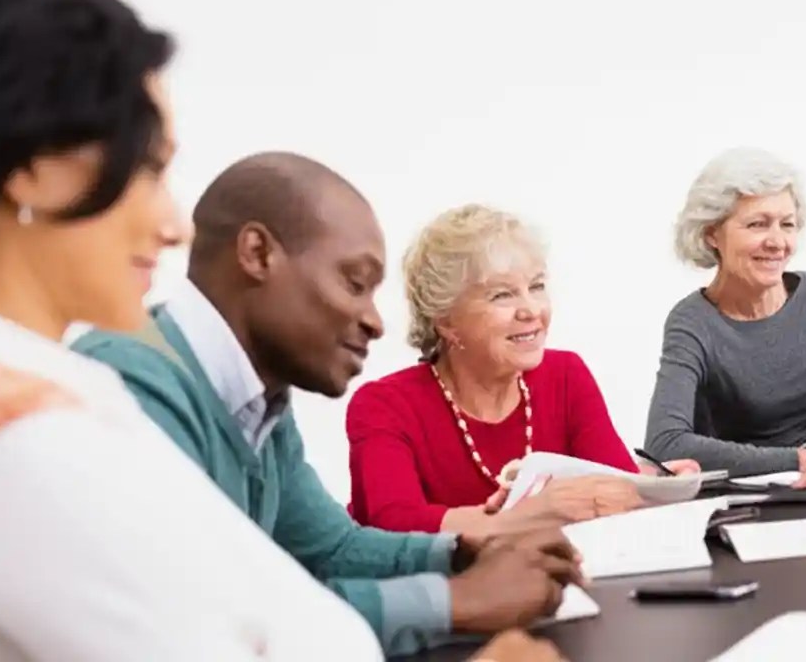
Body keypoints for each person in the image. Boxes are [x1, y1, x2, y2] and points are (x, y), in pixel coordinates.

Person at [0, 0, 385, 660]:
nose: (175, 225)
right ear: (34, 169)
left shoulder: (75, 390)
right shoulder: (23, 430)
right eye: (149, 168)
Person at [73, 154, 584, 656]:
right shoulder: (130, 383)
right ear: (257, 253)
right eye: (354, 284)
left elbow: (331, 550)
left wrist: (462, 552)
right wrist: (454, 600)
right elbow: (205, 623)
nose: (375, 323)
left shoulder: (257, 399)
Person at [347, 203, 699, 536]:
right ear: (446, 321)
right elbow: (395, 522)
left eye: (536, 286)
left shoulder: (565, 375)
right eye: (502, 295)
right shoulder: (384, 405)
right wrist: (532, 515)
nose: (531, 309)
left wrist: (656, 485)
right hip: (438, 594)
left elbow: (618, 493)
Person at [642, 147, 806, 477]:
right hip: (748, 497)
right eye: (758, 224)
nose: (777, 242)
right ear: (712, 233)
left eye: (787, 224)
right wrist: (799, 460)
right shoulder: (691, 322)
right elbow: (665, 443)